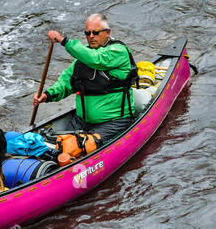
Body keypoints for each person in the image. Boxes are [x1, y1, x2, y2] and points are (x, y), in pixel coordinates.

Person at [31, 13, 138, 142]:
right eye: (87, 33)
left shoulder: (118, 51)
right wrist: (47, 95)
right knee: (54, 142)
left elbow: (96, 59)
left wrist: (64, 41)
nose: (91, 37)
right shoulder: (83, 55)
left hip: (114, 122)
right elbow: (66, 81)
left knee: (80, 148)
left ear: (108, 32)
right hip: (81, 122)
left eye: (95, 33)